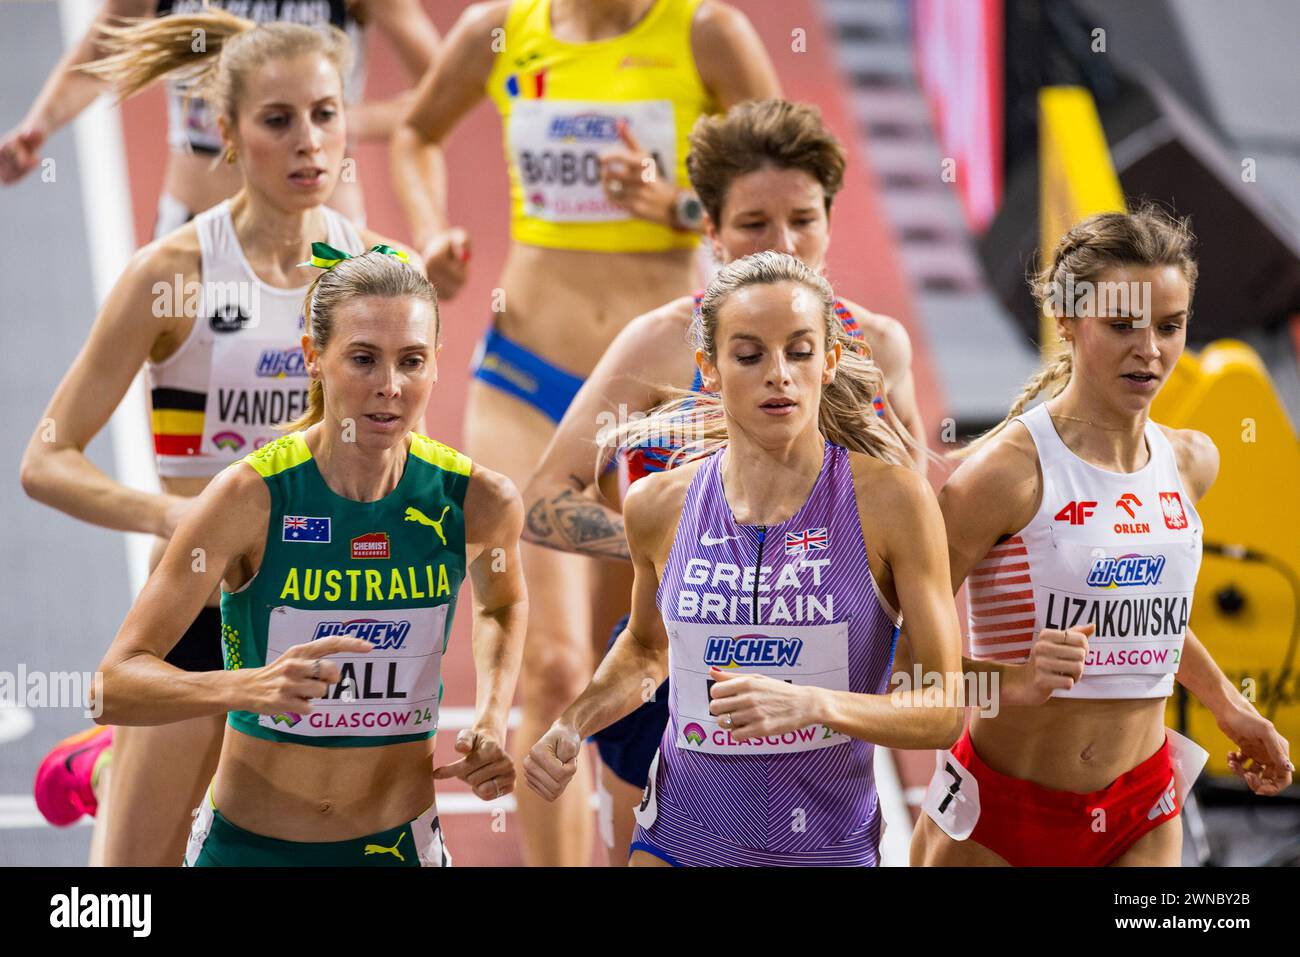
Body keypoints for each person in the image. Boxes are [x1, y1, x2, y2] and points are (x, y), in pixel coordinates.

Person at [391, 0, 781, 865]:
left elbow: (789, 179)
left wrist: (683, 205)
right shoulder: (501, 29)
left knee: (644, 668)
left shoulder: (705, 32)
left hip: (663, 391)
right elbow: (416, 131)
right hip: (528, 376)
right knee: (557, 665)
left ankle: (635, 849)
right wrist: (431, 233)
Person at [20, 11, 408, 865]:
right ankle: (116, 764)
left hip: (329, 613)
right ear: (226, 135)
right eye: (278, 121)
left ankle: (111, 760)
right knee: (129, 886)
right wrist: (168, 516)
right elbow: (45, 460)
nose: (311, 142)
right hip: (200, 611)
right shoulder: (172, 276)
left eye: (327, 113)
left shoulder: (378, 274)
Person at [520, 98, 926, 862]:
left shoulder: (878, 346)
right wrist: (682, 552)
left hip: (823, 646)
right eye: (753, 224)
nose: (785, 242)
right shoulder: (664, 342)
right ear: (708, 229)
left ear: (832, 221)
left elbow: (920, 505)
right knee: (657, 834)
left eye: (804, 219)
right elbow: (545, 500)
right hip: (679, 655)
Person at [90, 248, 527, 866]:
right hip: (247, 849)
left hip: (395, 848)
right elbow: (112, 685)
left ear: (436, 365)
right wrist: (249, 686)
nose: (389, 386)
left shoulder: (477, 501)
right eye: (363, 358)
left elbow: (502, 604)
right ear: (313, 358)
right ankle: (100, 769)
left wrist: (491, 712)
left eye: (412, 360)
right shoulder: (250, 498)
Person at [910, 208, 1294, 867]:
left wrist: (1230, 706)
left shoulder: (1191, 461)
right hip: (1000, 817)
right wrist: (1009, 683)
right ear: (1067, 320)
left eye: (1170, 326)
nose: (1150, 349)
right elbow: (897, 664)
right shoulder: (1002, 477)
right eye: (1122, 325)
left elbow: (1147, 621)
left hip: (1139, 811)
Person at [0, 0, 439, 233]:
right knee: (184, 402)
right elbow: (102, 53)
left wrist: (328, 121)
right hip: (195, 230)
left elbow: (442, 91)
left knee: (333, 401)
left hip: (325, 238)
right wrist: (38, 127)